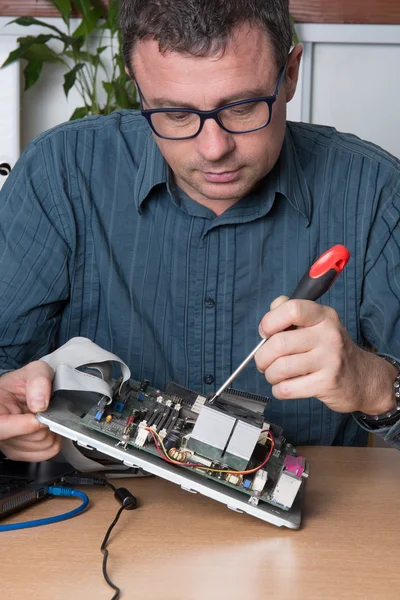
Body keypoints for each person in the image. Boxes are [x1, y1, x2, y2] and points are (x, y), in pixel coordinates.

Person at [0, 0, 399, 462]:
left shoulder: (374, 192)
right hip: (88, 516)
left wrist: (373, 385)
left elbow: (385, 390)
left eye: (243, 107)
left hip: (310, 526)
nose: (213, 150)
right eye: (175, 114)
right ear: (139, 90)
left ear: (290, 74)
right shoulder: (62, 172)